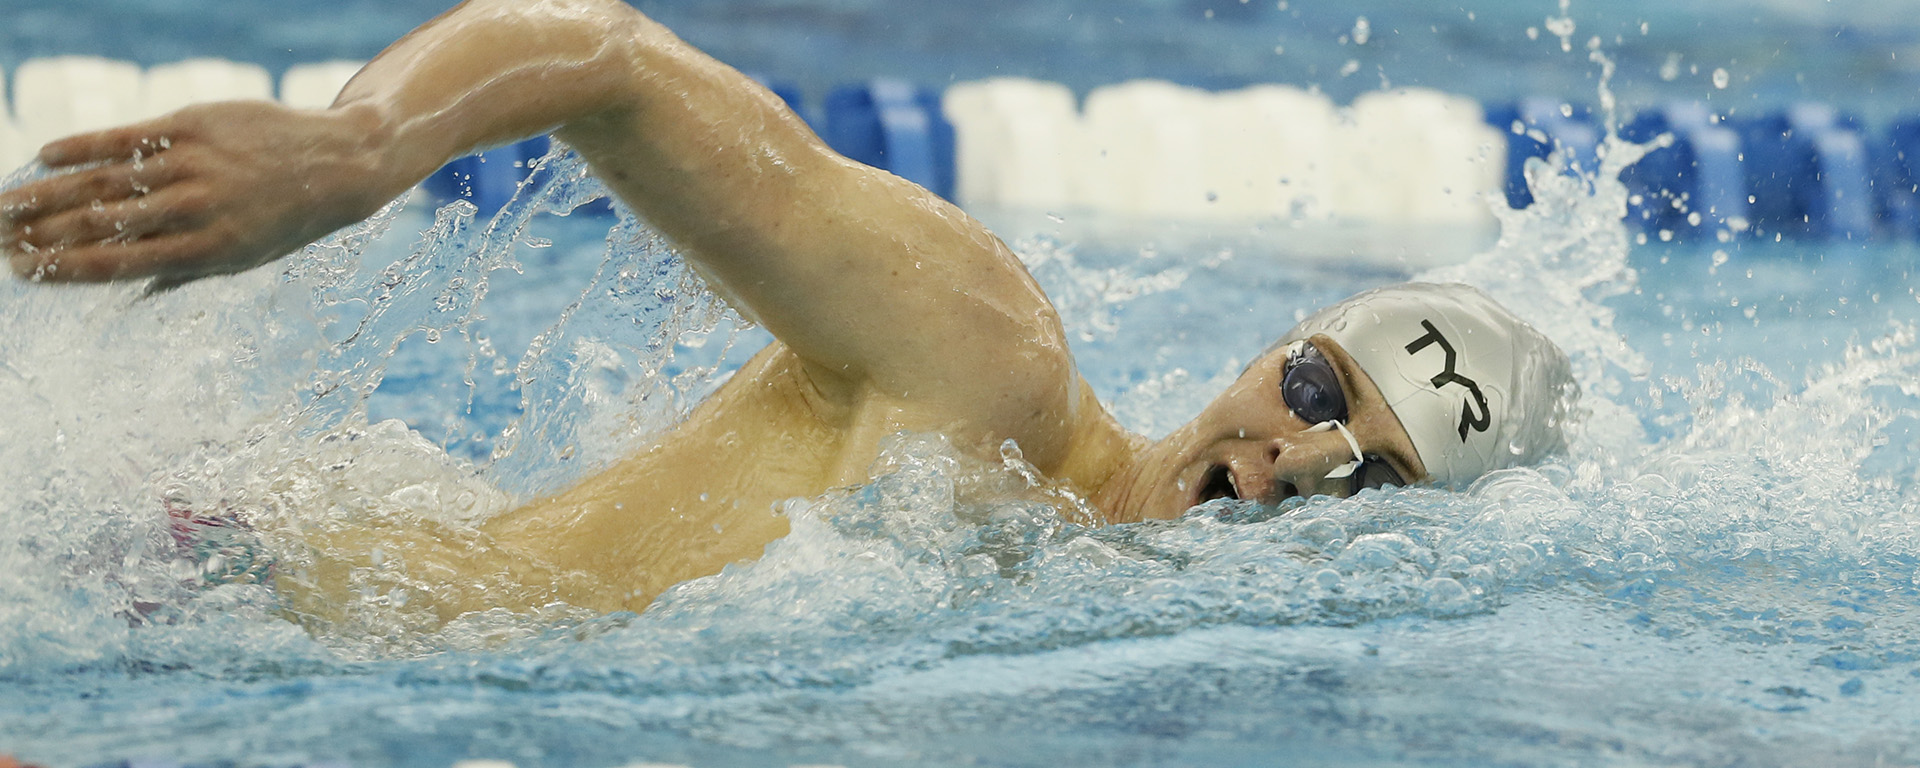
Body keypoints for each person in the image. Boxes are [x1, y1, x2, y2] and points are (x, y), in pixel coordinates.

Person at [0, 0, 1573, 627]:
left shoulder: (1071, 608)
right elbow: (607, 57)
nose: (1299, 459)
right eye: (1317, 385)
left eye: (1371, 474)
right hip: (198, 594)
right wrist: (360, 156)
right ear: (1271, 342)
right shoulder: (990, 365)